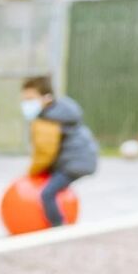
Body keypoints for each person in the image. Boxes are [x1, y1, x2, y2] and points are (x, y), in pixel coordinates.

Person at [20, 75, 99, 228]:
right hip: (80, 159)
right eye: (24, 100)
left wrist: (31, 173)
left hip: (74, 163)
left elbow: (45, 153)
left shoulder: (49, 121)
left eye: (30, 99)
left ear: (46, 98)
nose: (26, 104)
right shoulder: (60, 113)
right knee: (51, 184)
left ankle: (58, 226)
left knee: (47, 194)